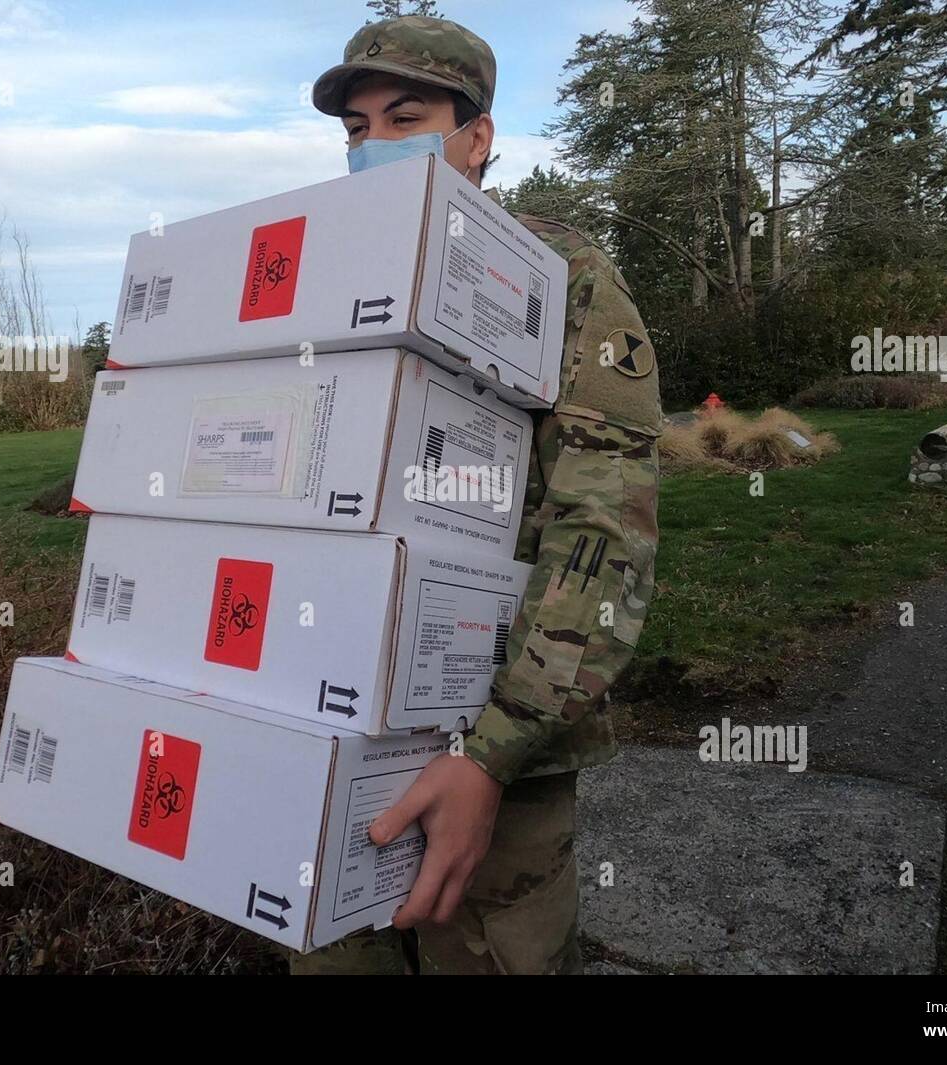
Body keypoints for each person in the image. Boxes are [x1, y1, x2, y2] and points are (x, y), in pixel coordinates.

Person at [290, 14, 662, 975]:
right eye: (356, 129)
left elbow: (604, 526)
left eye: (403, 118)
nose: (373, 146)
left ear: (477, 138)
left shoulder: (557, 277)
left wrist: (490, 751)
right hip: (339, 732)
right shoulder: (330, 272)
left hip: (498, 739)